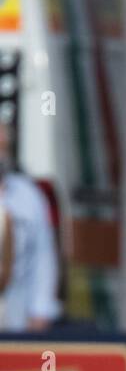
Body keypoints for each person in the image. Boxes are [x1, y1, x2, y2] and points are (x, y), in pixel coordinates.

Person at [0, 123, 61, 332]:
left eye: (3, 144)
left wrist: (41, 309)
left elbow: (43, 256)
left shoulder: (29, 195)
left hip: (18, 311)